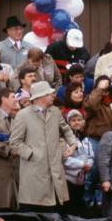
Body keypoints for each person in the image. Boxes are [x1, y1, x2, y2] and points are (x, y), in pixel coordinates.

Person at [10, 81, 78, 211]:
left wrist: (73, 144)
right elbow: (14, 143)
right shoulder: (23, 115)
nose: (53, 95)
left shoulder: (55, 112)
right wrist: (32, 155)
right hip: (34, 171)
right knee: (36, 209)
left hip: (55, 169)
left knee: (56, 209)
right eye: (49, 93)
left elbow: (66, 129)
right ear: (41, 97)